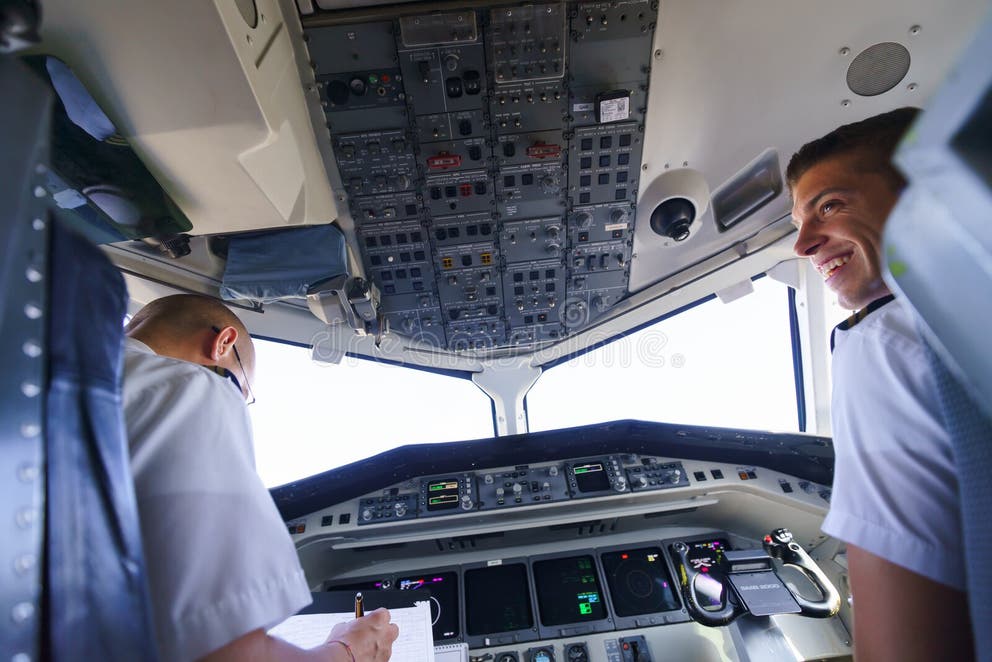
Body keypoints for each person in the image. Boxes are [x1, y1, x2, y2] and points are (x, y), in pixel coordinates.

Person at [788, 107, 974, 661]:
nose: (803, 244)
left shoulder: (883, 345)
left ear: (923, 197)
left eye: (830, 205)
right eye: (798, 222)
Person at [123, 294, 399, 661]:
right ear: (223, 343)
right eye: (239, 389)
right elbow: (226, 654)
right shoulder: (187, 387)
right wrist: (351, 651)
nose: (234, 399)